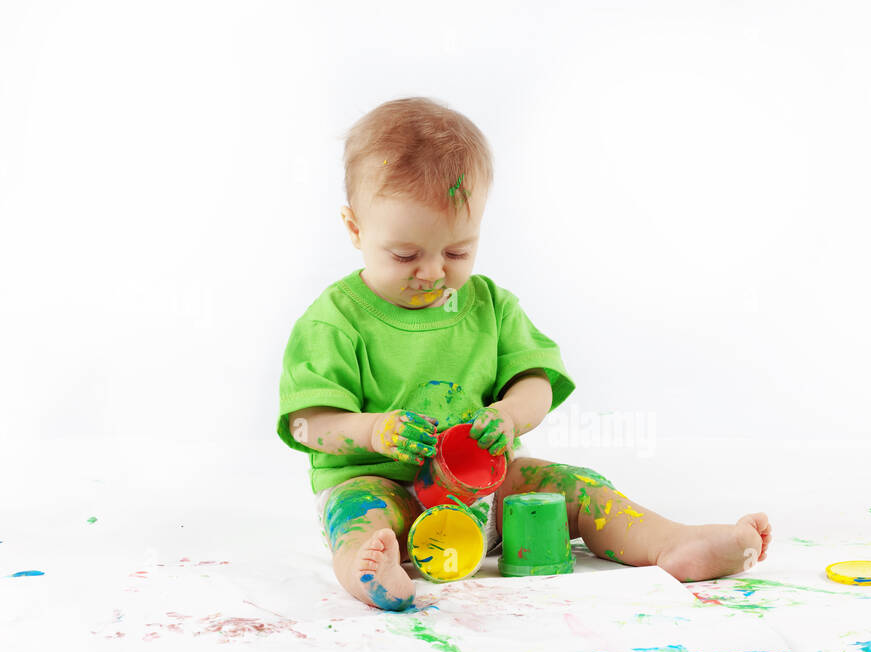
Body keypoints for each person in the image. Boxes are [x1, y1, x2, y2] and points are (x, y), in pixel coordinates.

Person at [277, 97, 771, 611]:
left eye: (456, 252)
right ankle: (369, 572)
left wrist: (509, 416)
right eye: (404, 255)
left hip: (485, 494)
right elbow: (305, 425)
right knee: (361, 519)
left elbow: (535, 380)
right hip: (384, 492)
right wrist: (372, 430)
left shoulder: (489, 306)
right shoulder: (333, 321)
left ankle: (672, 543)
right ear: (355, 228)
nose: (432, 273)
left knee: (581, 489)